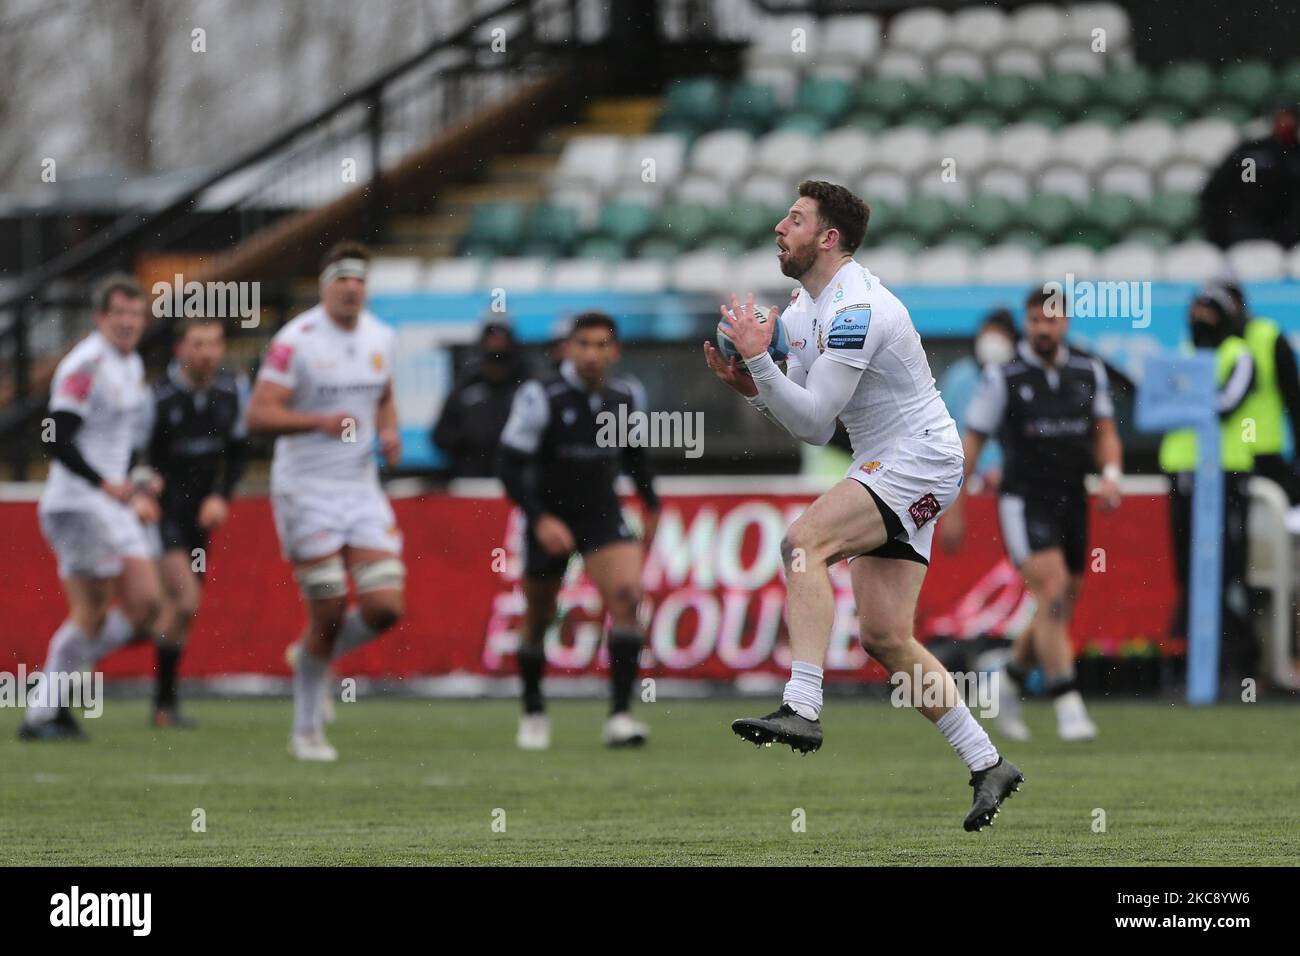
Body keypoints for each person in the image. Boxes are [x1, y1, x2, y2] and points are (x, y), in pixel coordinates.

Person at [705, 180, 1022, 832]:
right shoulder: (806, 308)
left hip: (917, 457)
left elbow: (818, 422)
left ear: (828, 237)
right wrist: (754, 381)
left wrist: (763, 362)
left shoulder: (857, 310)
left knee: (802, 544)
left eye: (794, 219)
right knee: (885, 636)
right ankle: (987, 759)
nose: (778, 227)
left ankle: (803, 704)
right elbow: (801, 412)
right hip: (896, 460)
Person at [245, 241, 406, 762]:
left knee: (384, 608)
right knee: (331, 609)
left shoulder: (382, 336)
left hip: (360, 488)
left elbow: (381, 395)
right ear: (325, 285)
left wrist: (389, 432)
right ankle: (306, 730)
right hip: (306, 491)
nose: (352, 288)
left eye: (360, 279)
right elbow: (259, 414)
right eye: (342, 278)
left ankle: (311, 657)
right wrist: (317, 421)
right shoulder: (298, 340)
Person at [942, 289, 1123, 742]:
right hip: (1024, 500)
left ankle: (1008, 680)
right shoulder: (1004, 377)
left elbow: (1105, 431)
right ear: (1027, 323)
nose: (1044, 329)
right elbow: (972, 446)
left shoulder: (1088, 371)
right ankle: (1067, 702)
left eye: (1052, 321)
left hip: (1072, 498)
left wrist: (1113, 474)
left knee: (1060, 601)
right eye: (1036, 321)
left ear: (1065, 324)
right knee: (1055, 590)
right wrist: (954, 508)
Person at [496, 311, 660, 751]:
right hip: (548, 513)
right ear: (569, 348)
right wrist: (540, 518)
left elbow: (635, 459)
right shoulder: (540, 395)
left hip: (601, 511)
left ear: (615, 351)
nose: (591, 354)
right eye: (583, 344)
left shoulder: (627, 395)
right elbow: (509, 466)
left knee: (627, 596)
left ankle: (621, 716)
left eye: (601, 345)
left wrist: (652, 504)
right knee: (539, 617)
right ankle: (533, 709)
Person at [20, 275, 162, 740]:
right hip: (78, 502)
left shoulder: (132, 363)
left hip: (112, 502)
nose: (127, 322)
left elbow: (121, 442)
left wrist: (138, 482)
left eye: (135, 314)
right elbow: (56, 437)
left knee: (146, 607)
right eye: (118, 313)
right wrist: (106, 484)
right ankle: (42, 713)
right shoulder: (85, 364)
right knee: (91, 612)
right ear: (101, 318)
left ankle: (56, 688)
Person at [140, 315, 249, 728]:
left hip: (199, 519)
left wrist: (221, 496)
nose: (207, 353)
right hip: (160, 515)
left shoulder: (230, 392)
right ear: (179, 350)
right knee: (184, 601)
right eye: (198, 344)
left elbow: (238, 452)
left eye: (214, 344)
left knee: (181, 611)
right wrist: (141, 491)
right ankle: (109, 650)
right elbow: (136, 455)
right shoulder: (156, 398)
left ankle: (164, 705)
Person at [1158, 285, 1258, 684]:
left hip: (1226, 472)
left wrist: (1187, 400)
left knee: (1227, 565)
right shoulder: (1180, 354)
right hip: (1182, 469)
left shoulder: (1237, 352)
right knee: (1186, 565)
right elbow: (1159, 404)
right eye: (1196, 310)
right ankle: (1194, 660)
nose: (1200, 319)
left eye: (1208, 311)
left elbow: (1226, 404)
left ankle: (1237, 657)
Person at [1213, 278, 1300, 502]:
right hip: (1223, 453)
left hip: (1262, 448)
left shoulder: (1268, 337)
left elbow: (1294, 398)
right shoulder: (1205, 341)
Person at [432, 319, 528, 479]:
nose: (496, 368)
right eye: (492, 359)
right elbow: (441, 436)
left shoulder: (527, 387)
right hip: (472, 478)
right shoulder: (466, 387)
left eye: (501, 359)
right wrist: (471, 440)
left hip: (517, 477)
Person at [937, 308, 1017, 486]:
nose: (992, 340)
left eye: (1000, 333)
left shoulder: (1021, 380)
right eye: (988, 332)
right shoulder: (958, 378)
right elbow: (941, 431)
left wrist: (1001, 469)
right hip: (962, 480)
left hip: (1011, 482)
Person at [1201, 105, 1300, 248]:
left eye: (1291, 118)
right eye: (1282, 117)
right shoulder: (1251, 151)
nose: (1286, 123)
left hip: (1287, 238)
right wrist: (1219, 233)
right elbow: (1216, 191)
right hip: (1243, 234)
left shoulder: (1296, 155)